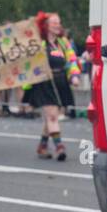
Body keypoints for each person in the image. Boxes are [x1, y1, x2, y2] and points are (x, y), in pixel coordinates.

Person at [25, 11, 80, 161]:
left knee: (51, 117)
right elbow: (30, 62)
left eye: (59, 22)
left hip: (61, 82)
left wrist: (74, 76)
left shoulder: (63, 42)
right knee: (52, 116)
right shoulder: (39, 42)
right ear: (46, 26)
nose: (58, 25)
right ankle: (59, 147)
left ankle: (42, 146)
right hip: (44, 83)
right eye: (54, 22)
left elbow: (72, 60)